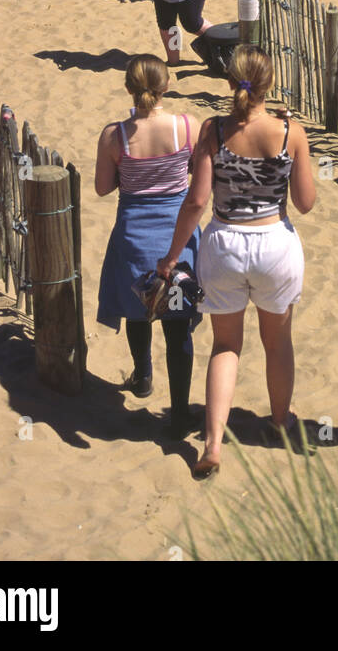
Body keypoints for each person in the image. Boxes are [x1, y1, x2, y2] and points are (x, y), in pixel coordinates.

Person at [156, 45, 316, 477]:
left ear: (230, 83)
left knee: (225, 346)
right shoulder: (289, 132)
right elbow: (305, 202)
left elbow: (197, 201)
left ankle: (211, 443)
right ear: (268, 84)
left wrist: (172, 257)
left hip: (224, 242)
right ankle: (280, 422)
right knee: (277, 342)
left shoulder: (213, 129)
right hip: (274, 243)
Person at [95, 56, 202, 438]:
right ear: (166, 87)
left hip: (133, 238)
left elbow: (103, 187)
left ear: (128, 88)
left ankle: (142, 377)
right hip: (176, 240)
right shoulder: (187, 126)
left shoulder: (114, 135)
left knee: (137, 312)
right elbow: (195, 172)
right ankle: (178, 412)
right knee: (178, 325)